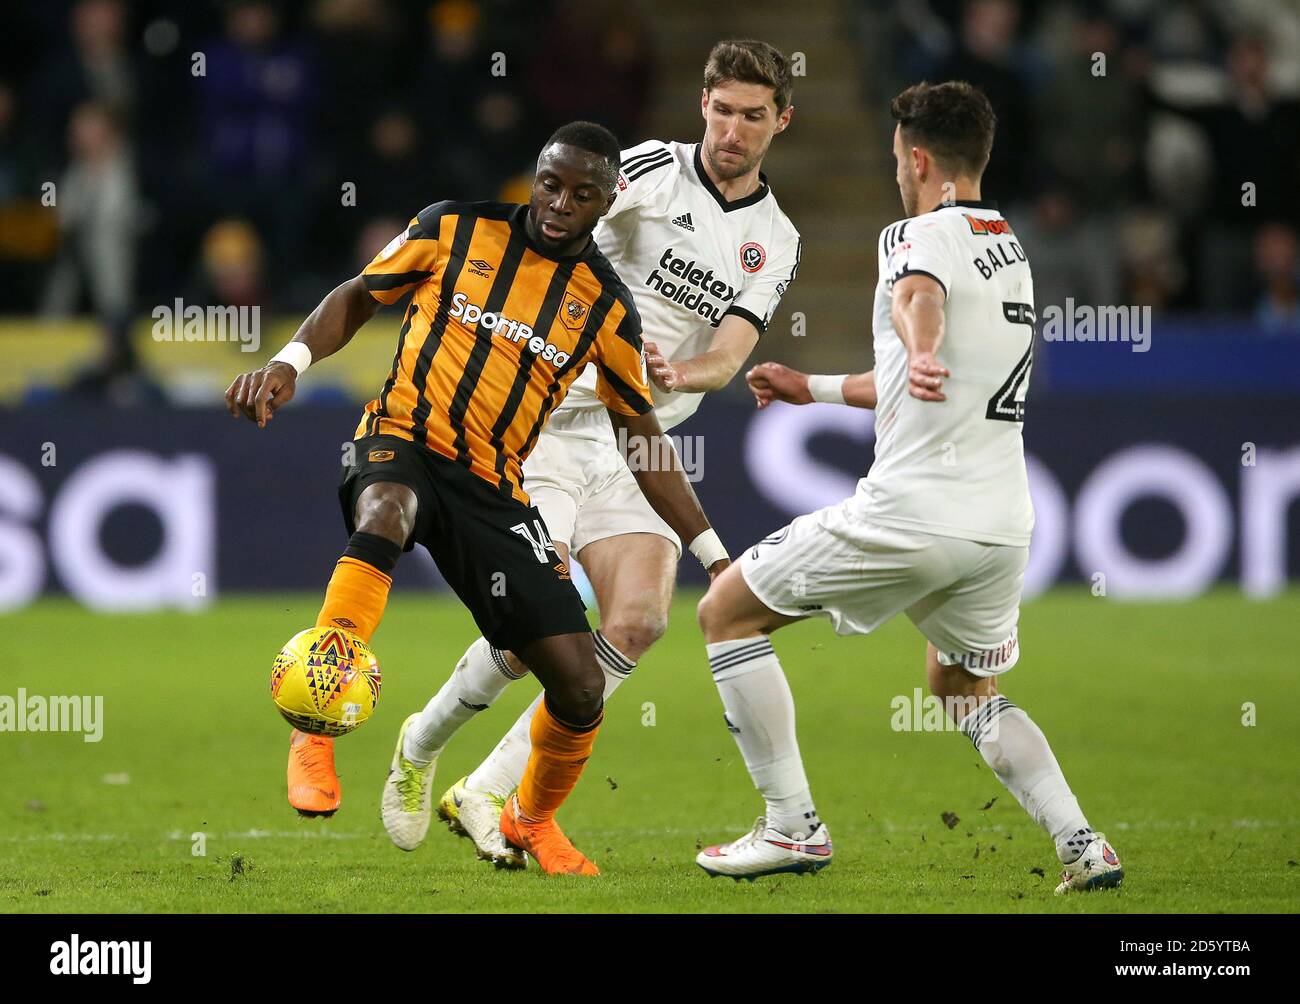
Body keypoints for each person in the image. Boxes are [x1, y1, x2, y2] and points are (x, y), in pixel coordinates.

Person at [225, 121, 727, 875]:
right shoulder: (454, 226)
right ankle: (316, 728)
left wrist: (713, 553)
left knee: (581, 682)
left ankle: (531, 817)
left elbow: (640, 435)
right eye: (550, 183)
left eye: (582, 194)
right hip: (401, 437)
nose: (559, 203)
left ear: (607, 200)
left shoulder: (603, 304)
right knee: (385, 513)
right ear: (536, 174)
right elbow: (360, 295)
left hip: (493, 485)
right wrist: (290, 361)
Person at [692, 81, 1123, 894]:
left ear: (919, 160)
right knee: (959, 684)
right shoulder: (1010, 247)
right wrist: (810, 386)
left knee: (724, 611)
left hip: (914, 512)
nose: (895, 173)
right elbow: (905, 374)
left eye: (896, 159)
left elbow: (915, 298)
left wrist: (920, 346)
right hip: (1000, 525)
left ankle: (791, 827)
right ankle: (1081, 843)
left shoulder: (915, 235)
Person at [382, 39, 800, 869]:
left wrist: (689, 371)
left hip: (642, 438)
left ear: (780, 121)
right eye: (721, 110)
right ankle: (420, 744)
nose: (732, 131)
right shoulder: (645, 170)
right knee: (532, 624)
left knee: (639, 621)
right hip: (541, 422)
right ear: (703, 106)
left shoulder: (776, 240)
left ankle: (492, 789)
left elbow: (734, 348)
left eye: (753, 116)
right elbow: (547, 241)